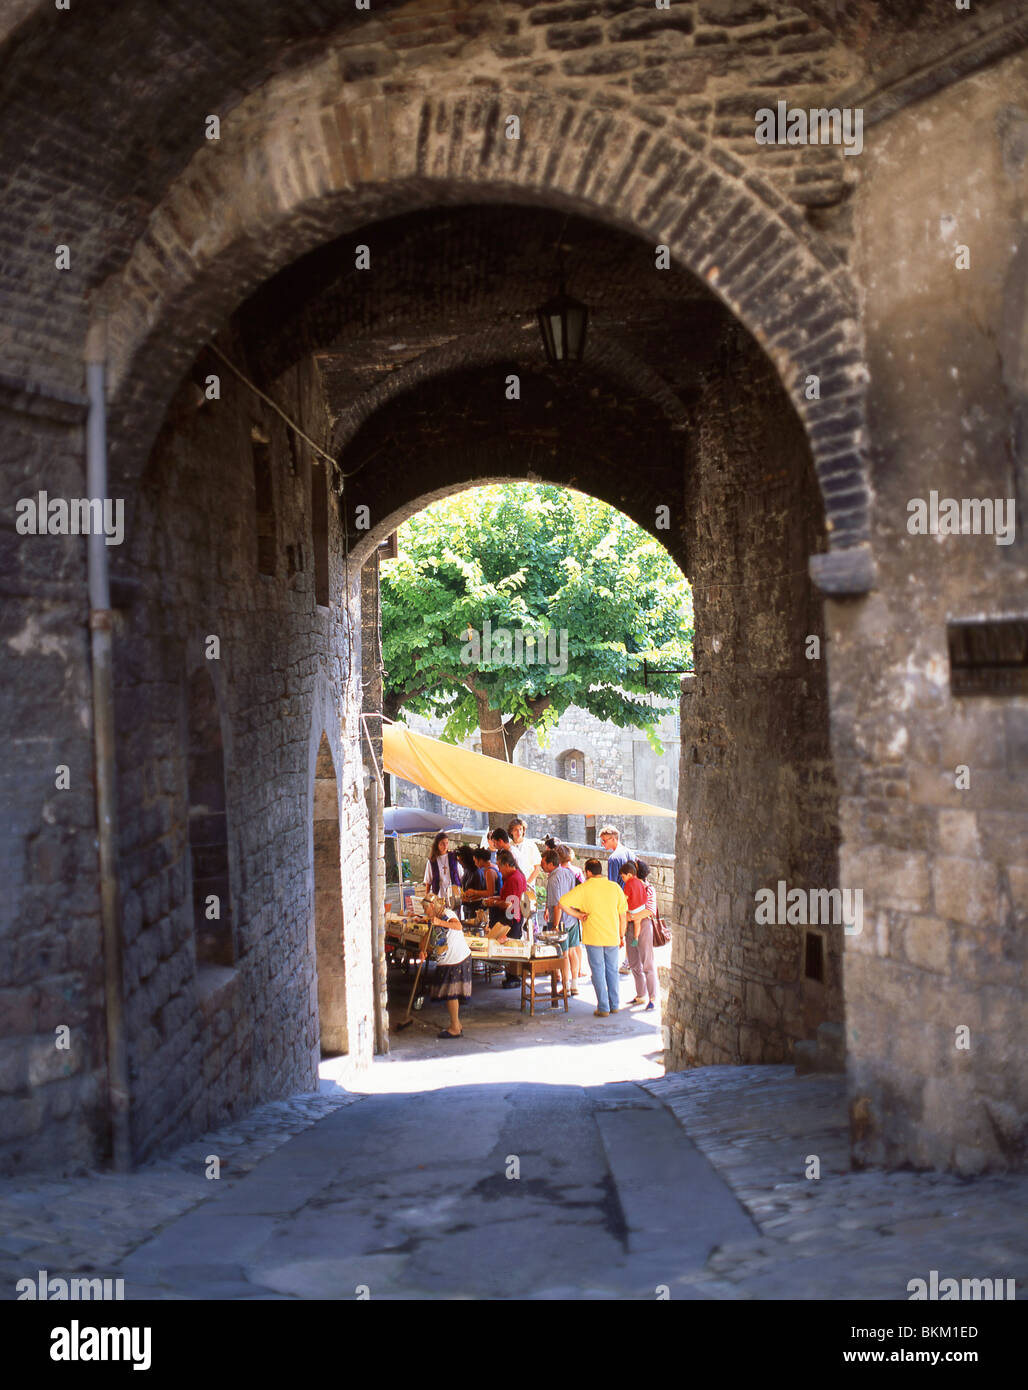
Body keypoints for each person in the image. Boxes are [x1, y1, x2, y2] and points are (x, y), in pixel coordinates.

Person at [558, 859, 627, 1018]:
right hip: (612, 937)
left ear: (588, 872)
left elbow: (562, 903)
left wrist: (578, 915)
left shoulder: (584, 888)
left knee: (598, 971)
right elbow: (623, 915)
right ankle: (614, 1004)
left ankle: (603, 1007)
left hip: (593, 937)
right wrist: (621, 935)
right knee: (612, 970)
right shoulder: (615, 887)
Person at [417, 899, 471, 1038]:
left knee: (451, 993)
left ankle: (455, 1028)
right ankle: (457, 1024)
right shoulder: (432, 920)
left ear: (433, 906)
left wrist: (439, 922)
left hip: (456, 958)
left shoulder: (447, 913)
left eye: (426, 909)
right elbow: (428, 938)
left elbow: (458, 926)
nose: (425, 912)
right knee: (450, 993)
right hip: (448, 959)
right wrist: (422, 950)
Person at [483, 848, 527, 988]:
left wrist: (494, 902)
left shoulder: (515, 878)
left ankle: (513, 977)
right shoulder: (512, 877)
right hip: (511, 917)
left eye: (500, 866)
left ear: (507, 865)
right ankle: (510, 975)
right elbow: (505, 898)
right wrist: (494, 899)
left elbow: (510, 904)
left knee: (511, 949)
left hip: (512, 919)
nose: (499, 870)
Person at [541, 847, 580, 996]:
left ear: (551, 864)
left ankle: (566, 986)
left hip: (561, 920)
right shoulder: (569, 873)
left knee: (563, 954)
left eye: (543, 863)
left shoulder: (553, 879)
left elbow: (558, 905)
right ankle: (574, 983)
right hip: (572, 918)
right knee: (572, 951)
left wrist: (555, 925)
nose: (542, 865)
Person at [621, 860, 658, 1012]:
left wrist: (631, 917)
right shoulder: (630, 885)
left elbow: (650, 910)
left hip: (643, 926)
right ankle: (641, 994)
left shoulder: (648, 888)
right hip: (631, 927)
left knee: (647, 963)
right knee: (634, 962)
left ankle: (653, 998)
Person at [599, 825, 635, 974]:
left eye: (604, 841)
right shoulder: (630, 853)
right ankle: (629, 960)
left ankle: (616, 963)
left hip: (620, 898)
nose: (603, 844)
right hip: (632, 896)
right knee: (630, 931)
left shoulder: (614, 858)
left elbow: (613, 884)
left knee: (618, 932)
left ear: (614, 839)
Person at [557, 843, 588, 980]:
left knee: (564, 948)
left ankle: (561, 975)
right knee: (576, 945)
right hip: (575, 910)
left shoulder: (558, 873)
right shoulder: (577, 871)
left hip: (563, 910)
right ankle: (578, 970)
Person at [508, 817, 542, 933]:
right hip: (514, 888)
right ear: (511, 831)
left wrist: (527, 883)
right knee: (515, 917)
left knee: (530, 919)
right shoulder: (509, 847)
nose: (518, 832)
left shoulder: (530, 845)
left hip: (528, 887)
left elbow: (537, 868)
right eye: (516, 830)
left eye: (521, 829)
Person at [424, 831, 462, 901]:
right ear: (437, 845)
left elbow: (461, 876)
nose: (445, 846)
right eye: (442, 844)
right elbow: (428, 882)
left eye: (447, 843)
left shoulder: (454, 858)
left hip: (454, 893)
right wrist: (427, 899)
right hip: (438, 894)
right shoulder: (432, 861)